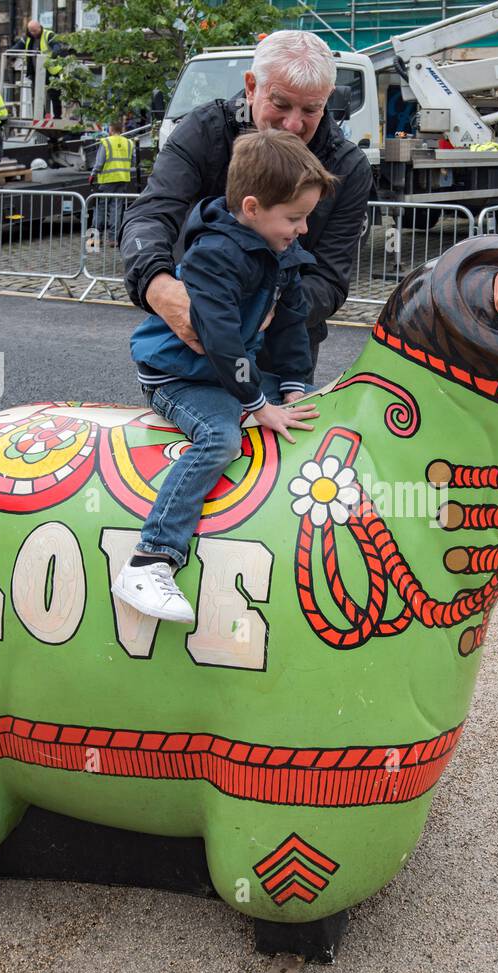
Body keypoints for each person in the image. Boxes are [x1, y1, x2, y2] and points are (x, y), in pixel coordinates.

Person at [112, 130, 333, 622]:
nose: (301, 229)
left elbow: (293, 322)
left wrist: (293, 384)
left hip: (230, 368)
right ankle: (151, 559)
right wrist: (258, 403)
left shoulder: (280, 251)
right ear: (252, 208)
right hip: (180, 375)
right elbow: (219, 339)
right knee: (221, 437)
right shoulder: (216, 255)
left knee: (310, 408)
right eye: (294, 218)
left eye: (306, 218)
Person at [121, 30, 369, 382]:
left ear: (328, 99)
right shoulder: (203, 133)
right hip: (189, 349)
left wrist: (268, 307)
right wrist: (160, 288)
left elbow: (329, 277)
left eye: (311, 109)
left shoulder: (348, 167)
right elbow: (149, 217)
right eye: (280, 104)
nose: (294, 124)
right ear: (251, 86)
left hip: (282, 356)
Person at [91, 120, 135, 243]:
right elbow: (133, 161)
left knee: (100, 208)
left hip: (107, 180)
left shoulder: (106, 142)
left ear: (111, 129)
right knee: (116, 208)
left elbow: (99, 163)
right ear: (121, 130)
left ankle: (95, 239)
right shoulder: (129, 143)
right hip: (123, 179)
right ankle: (114, 239)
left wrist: (93, 174)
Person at [16, 19, 65, 119]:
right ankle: (40, 117)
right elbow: (17, 46)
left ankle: (57, 116)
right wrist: (9, 55)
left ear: (40, 27)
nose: (33, 33)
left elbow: (57, 45)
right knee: (36, 96)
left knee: (54, 94)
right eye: (31, 31)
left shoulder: (48, 35)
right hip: (35, 71)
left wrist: (55, 53)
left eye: (35, 31)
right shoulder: (27, 38)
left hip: (50, 71)